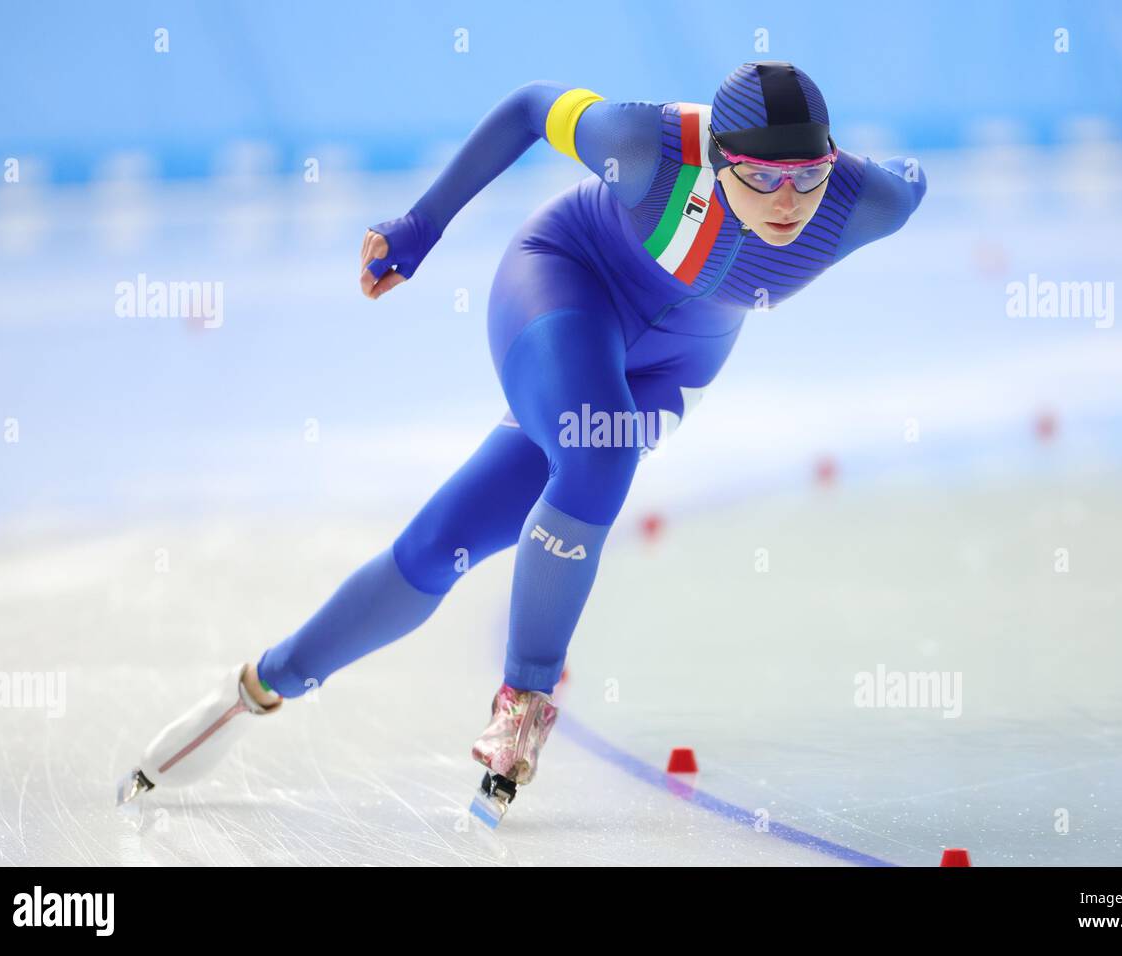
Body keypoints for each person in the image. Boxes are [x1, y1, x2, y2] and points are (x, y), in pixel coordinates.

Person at [118, 61, 927, 820]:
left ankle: (263, 681)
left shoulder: (868, 201)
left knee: (445, 544)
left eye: (808, 177)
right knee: (599, 452)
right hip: (564, 282)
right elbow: (529, 107)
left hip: (676, 364)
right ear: (717, 162)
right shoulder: (646, 148)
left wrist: (841, 170)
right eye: (763, 178)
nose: (789, 202)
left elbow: (911, 175)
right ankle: (523, 703)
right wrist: (420, 225)